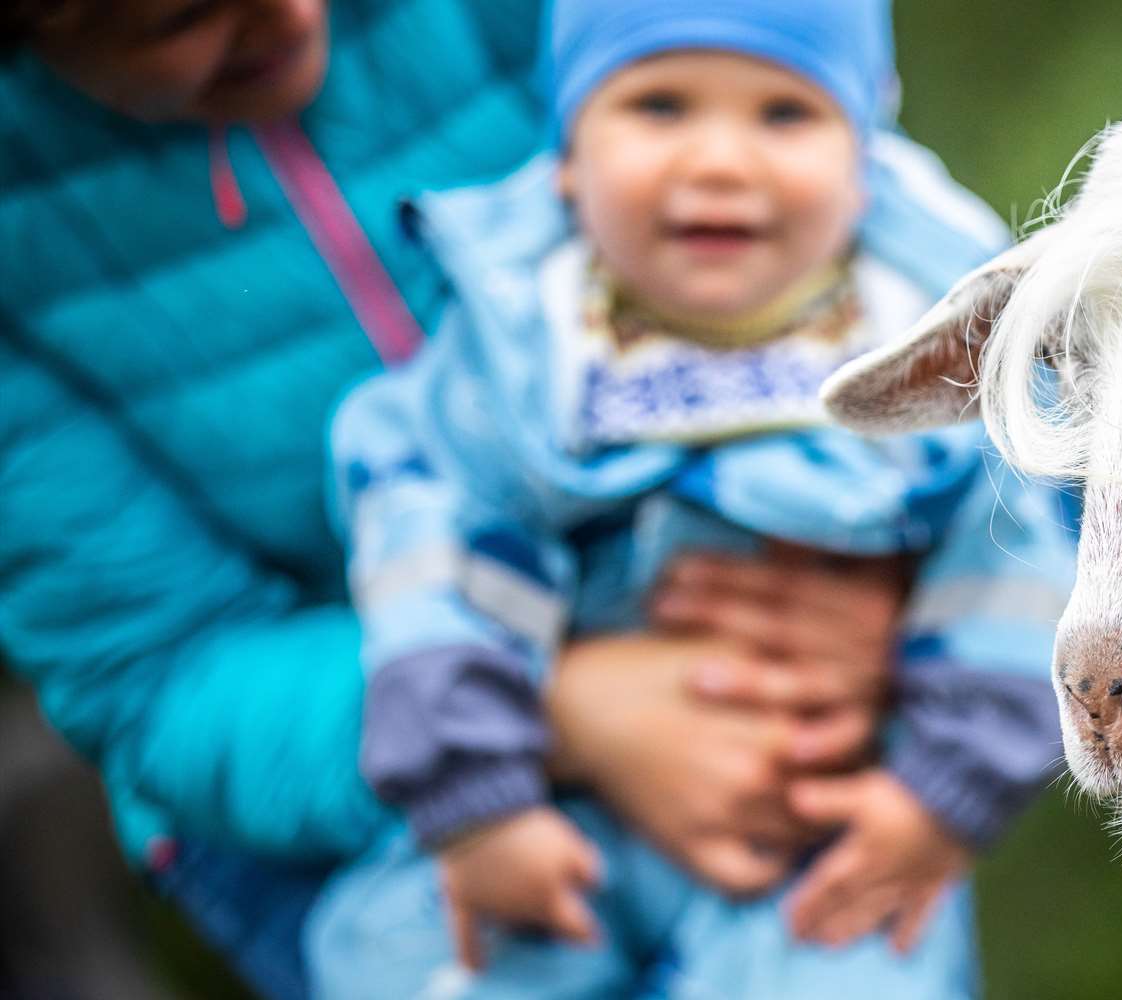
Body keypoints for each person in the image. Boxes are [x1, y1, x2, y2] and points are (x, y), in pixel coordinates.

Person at [1, 2, 914, 996]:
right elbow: (156, 680)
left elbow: (854, 237)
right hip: (334, 782)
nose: (293, 13)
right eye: (178, 14)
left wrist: (877, 577)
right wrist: (543, 709)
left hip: (740, 662)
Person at [304, 1, 1074, 997]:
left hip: (827, 824)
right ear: (568, 157)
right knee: (397, 956)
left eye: (784, 115)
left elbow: (1018, 553)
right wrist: (474, 796)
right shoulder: (517, 332)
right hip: (548, 802)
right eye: (658, 106)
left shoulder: (933, 322)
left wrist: (941, 792)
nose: (718, 160)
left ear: (864, 156)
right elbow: (429, 544)